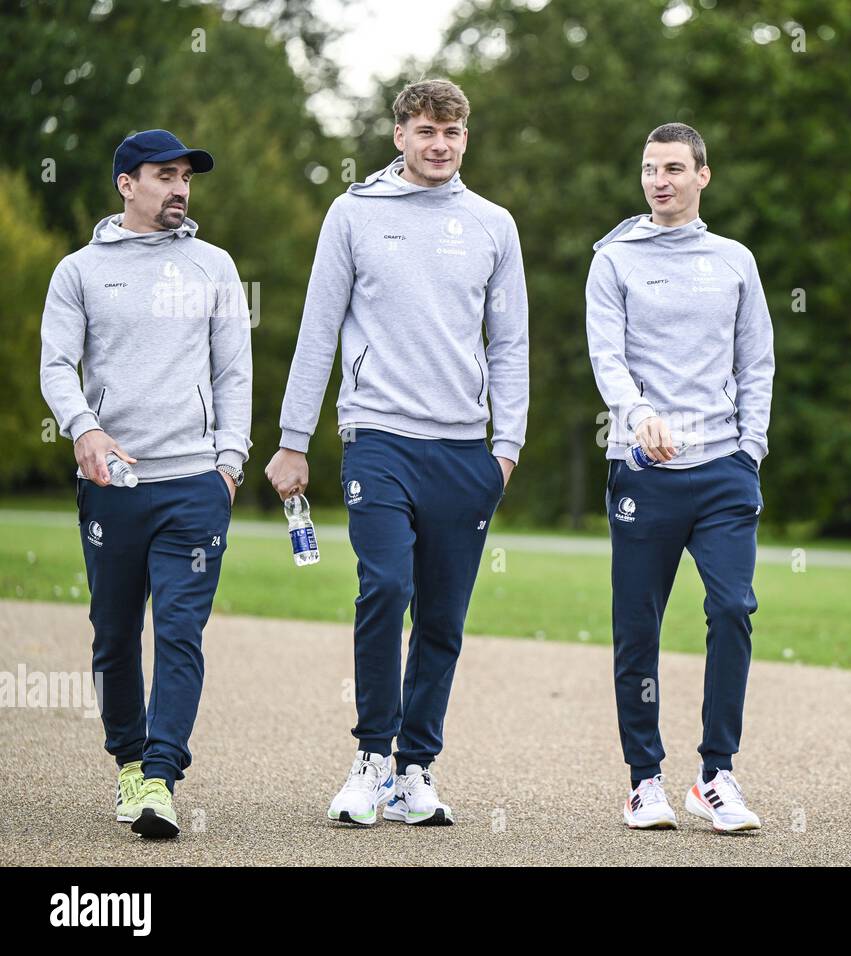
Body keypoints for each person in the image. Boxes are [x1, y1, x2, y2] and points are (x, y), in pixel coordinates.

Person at [265, 79, 528, 827]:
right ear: (399, 136)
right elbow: (318, 332)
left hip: (464, 451)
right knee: (385, 587)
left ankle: (415, 769)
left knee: (443, 618)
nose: (438, 143)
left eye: (451, 131)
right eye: (423, 130)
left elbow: (509, 345)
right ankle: (371, 758)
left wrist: (503, 451)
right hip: (377, 438)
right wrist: (291, 441)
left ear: (466, 138)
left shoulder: (492, 225)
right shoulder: (353, 214)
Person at [39, 129, 252, 838]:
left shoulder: (214, 266)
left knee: (182, 633)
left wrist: (229, 465)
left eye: (186, 177)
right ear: (127, 183)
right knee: (113, 634)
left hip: (195, 484)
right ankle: (128, 760)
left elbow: (233, 374)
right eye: (165, 176)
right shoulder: (79, 272)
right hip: (113, 485)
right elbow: (55, 366)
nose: (180, 188)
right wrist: (84, 428)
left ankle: (160, 775)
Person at [586, 123, 775, 832]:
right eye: (648, 169)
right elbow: (608, 358)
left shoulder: (734, 261)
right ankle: (644, 781)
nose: (658, 180)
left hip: (724, 470)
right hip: (643, 472)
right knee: (638, 629)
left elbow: (756, 362)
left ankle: (716, 775)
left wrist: (750, 450)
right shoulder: (614, 260)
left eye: (672, 168)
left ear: (703, 175)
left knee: (734, 609)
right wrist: (636, 417)